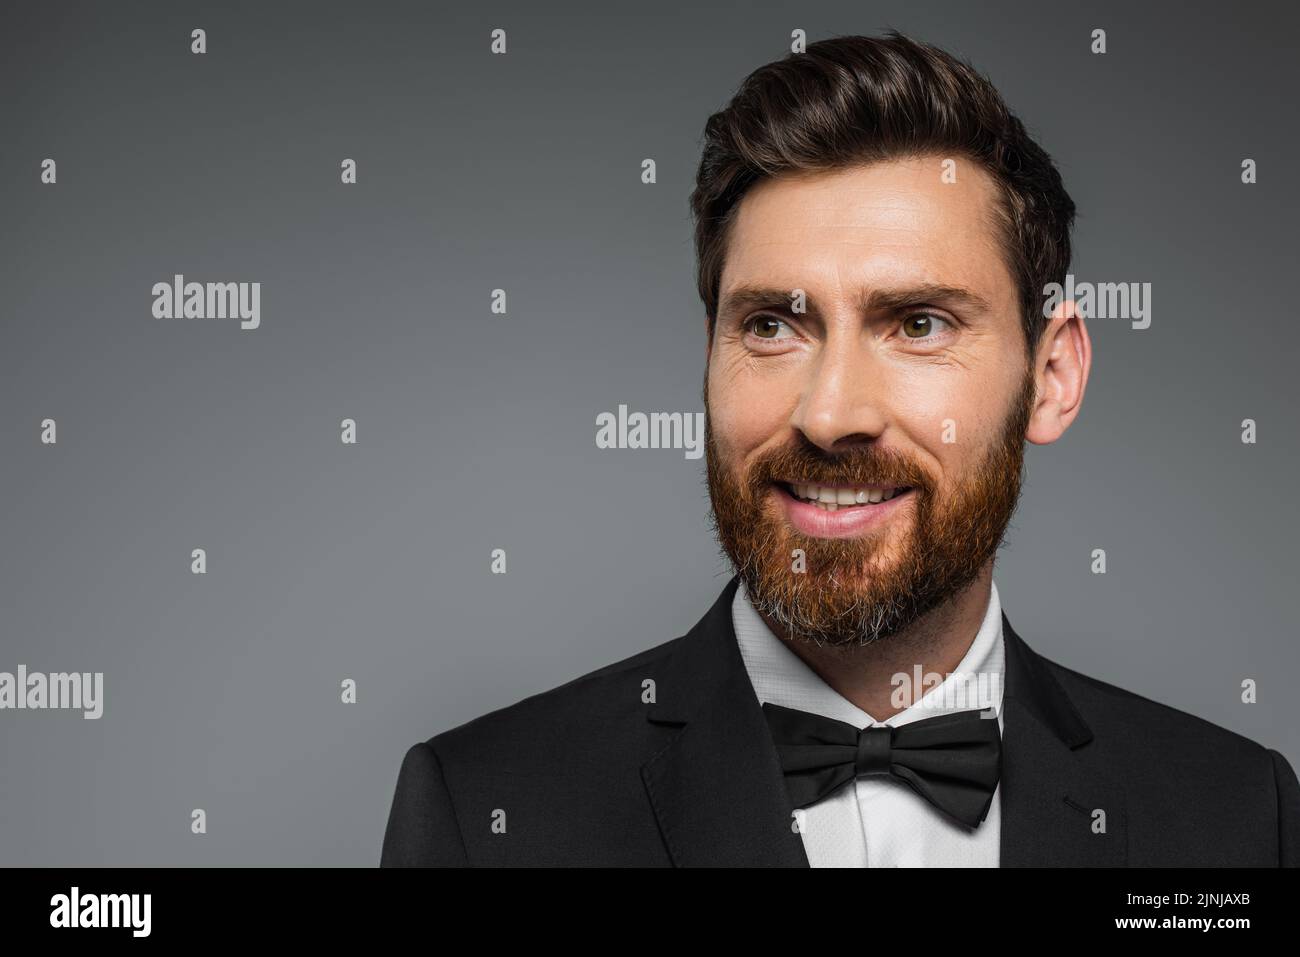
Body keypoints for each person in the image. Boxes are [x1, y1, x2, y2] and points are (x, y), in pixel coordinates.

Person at [380, 32, 1299, 867]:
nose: (830, 415)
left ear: (1052, 376)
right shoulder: (485, 812)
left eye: (919, 323)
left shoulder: (1237, 818)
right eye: (774, 325)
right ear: (709, 359)